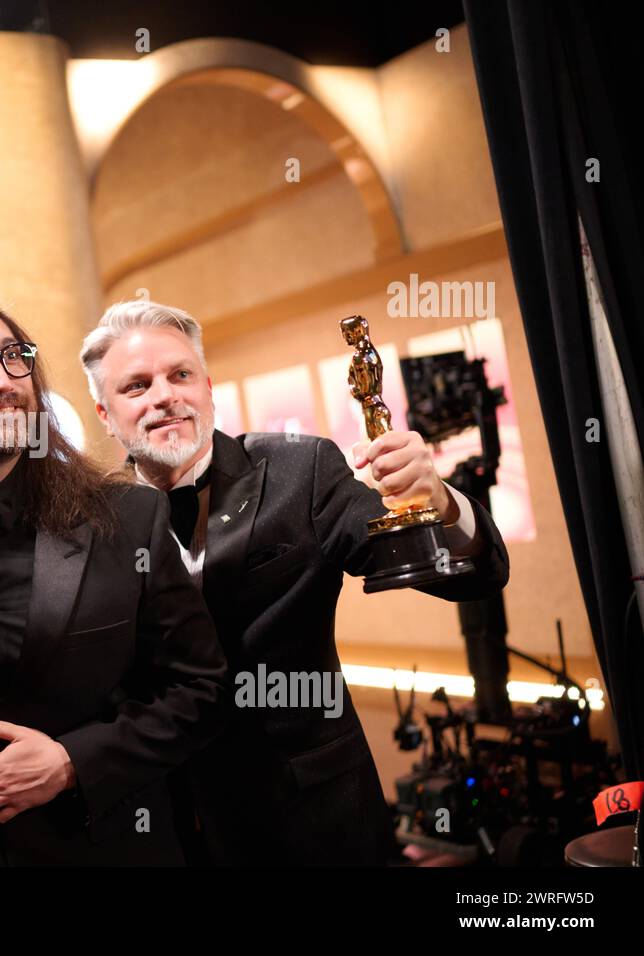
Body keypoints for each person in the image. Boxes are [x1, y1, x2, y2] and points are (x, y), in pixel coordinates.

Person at [80, 299, 511, 865]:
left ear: (207, 387)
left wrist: (438, 498)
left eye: (179, 374)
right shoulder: (94, 520)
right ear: (105, 414)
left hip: (318, 823)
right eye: (136, 386)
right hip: (176, 831)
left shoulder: (298, 472)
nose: (164, 395)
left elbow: (472, 577)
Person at [0, 291, 229, 865]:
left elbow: (203, 692)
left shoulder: (126, 518)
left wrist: (72, 762)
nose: (4, 380)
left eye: (15, 355)